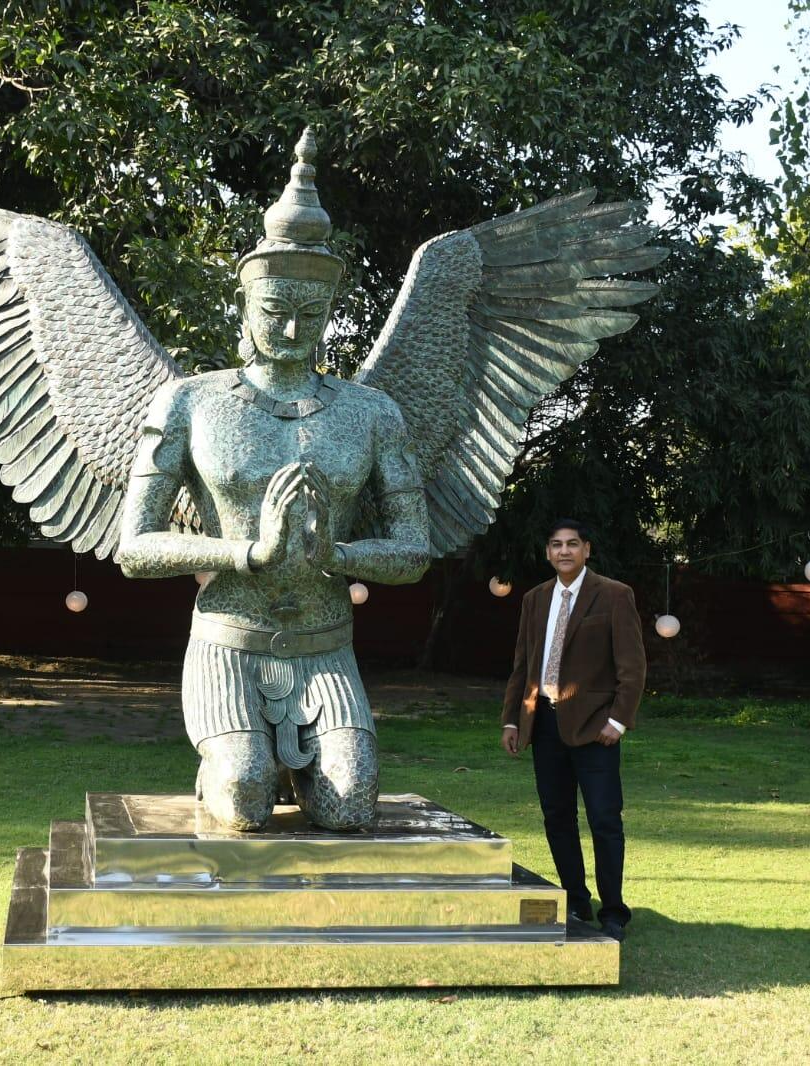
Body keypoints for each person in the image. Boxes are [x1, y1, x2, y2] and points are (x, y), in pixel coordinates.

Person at [115, 132, 430, 832]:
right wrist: (244, 553)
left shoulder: (371, 413)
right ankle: (237, 763)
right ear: (246, 307)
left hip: (327, 644)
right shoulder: (191, 402)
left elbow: (414, 550)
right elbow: (133, 547)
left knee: (351, 808)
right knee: (245, 798)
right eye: (274, 311)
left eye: (310, 315)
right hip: (230, 639)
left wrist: (337, 556)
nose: (291, 327)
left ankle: (319, 772)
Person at [500, 519, 645, 940]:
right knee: (556, 817)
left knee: (604, 819)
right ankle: (577, 902)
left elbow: (632, 668)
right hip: (543, 724)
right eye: (556, 545)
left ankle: (614, 912)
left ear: (586, 550)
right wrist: (513, 719)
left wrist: (618, 720)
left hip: (596, 728)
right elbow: (522, 666)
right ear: (548, 552)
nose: (564, 551)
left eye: (572, 544)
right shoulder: (534, 599)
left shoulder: (615, 596)